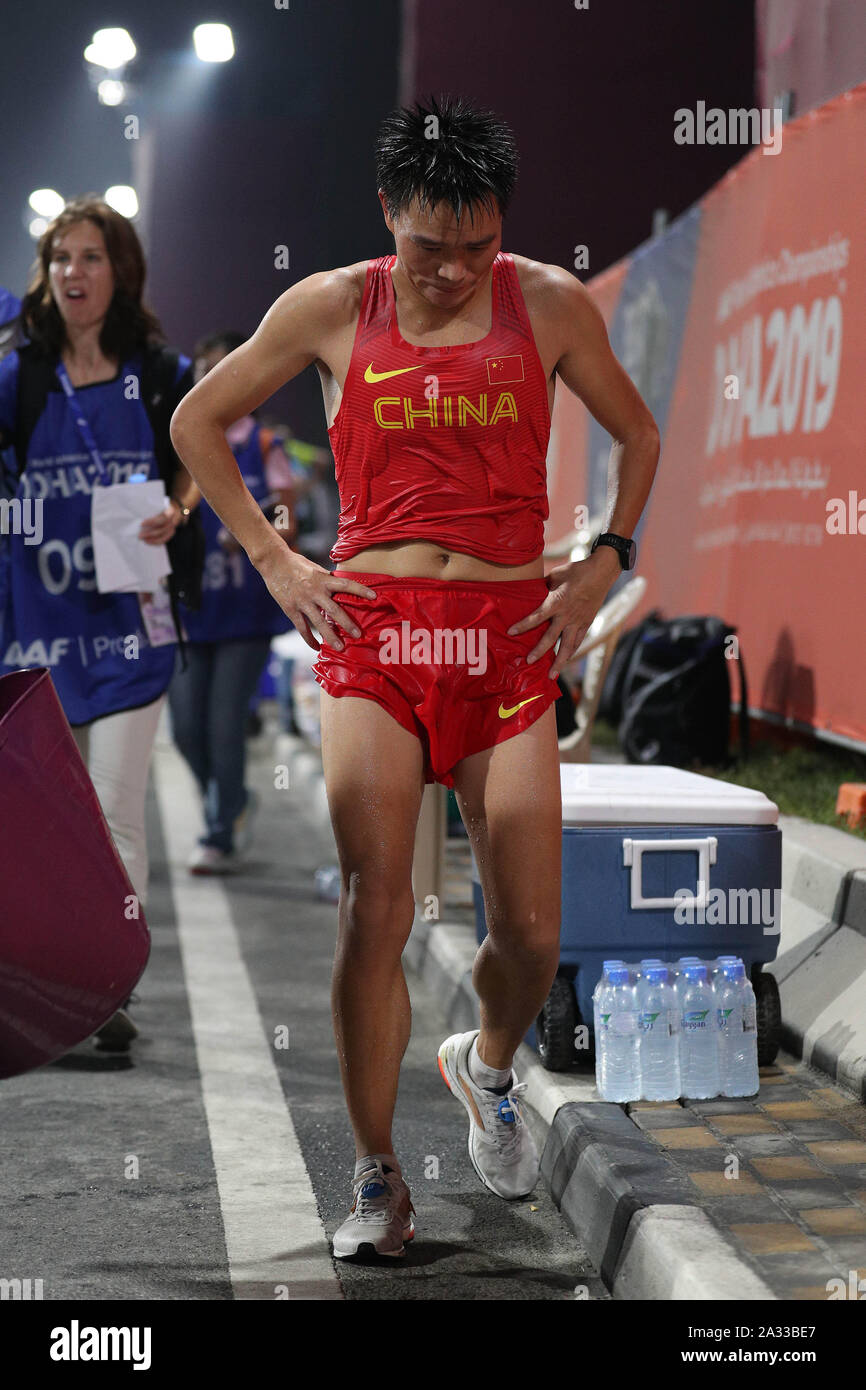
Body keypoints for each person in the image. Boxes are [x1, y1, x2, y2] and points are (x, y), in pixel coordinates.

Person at [170, 95, 660, 1258]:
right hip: (375, 634)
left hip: (506, 638)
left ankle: (485, 1066)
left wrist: (603, 563)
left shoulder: (544, 302)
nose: (450, 272)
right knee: (374, 906)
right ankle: (378, 1179)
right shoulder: (334, 305)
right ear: (388, 214)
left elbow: (637, 436)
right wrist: (278, 559)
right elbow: (198, 421)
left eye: (475, 247)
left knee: (533, 934)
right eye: (428, 247)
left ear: (503, 228)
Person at [0, 197, 200, 1049]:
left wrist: (181, 510)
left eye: (90, 256)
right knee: (50, 814)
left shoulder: (160, 372)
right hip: (38, 622)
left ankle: (107, 987)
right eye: (60, 258)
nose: (73, 272)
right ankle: (47, 974)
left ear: (119, 271)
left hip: (130, 621)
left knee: (118, 807)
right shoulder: (16, 374)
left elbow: (200, 463)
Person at [167, 330, 296, 873]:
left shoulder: (264, 444)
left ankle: (219, 831)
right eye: (205, 368)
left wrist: (254, 530)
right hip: (187, 610)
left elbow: (288, 518)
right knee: (186, 729)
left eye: (227, 368)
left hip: (244, 614)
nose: (213, 379)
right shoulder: (174, 442)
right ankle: (232, 803)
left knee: (224, 725)